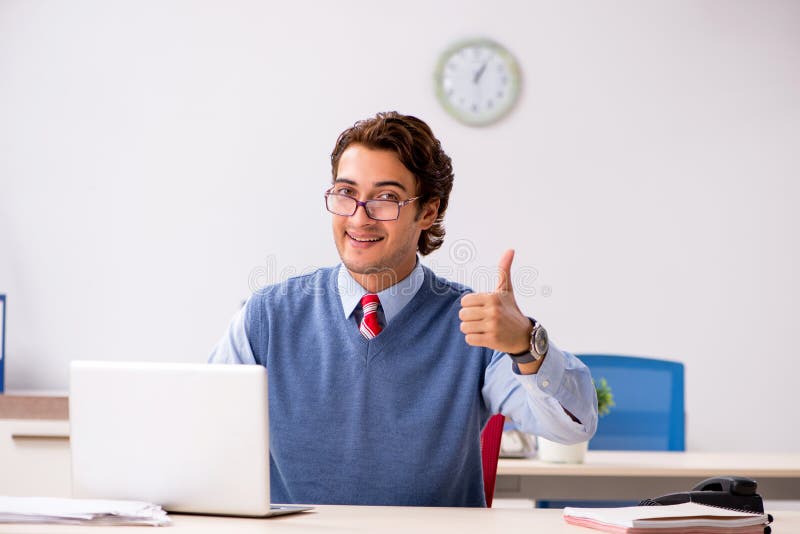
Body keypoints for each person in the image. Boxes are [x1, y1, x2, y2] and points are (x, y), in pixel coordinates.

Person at [209, 111, 597, 507]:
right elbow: (203, 430)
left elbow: (573, 428)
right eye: (346, 193)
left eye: (386, 198)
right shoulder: (267, 318)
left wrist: (526, 345)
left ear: (427, 211)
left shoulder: (476, 324)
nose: (359, 217)